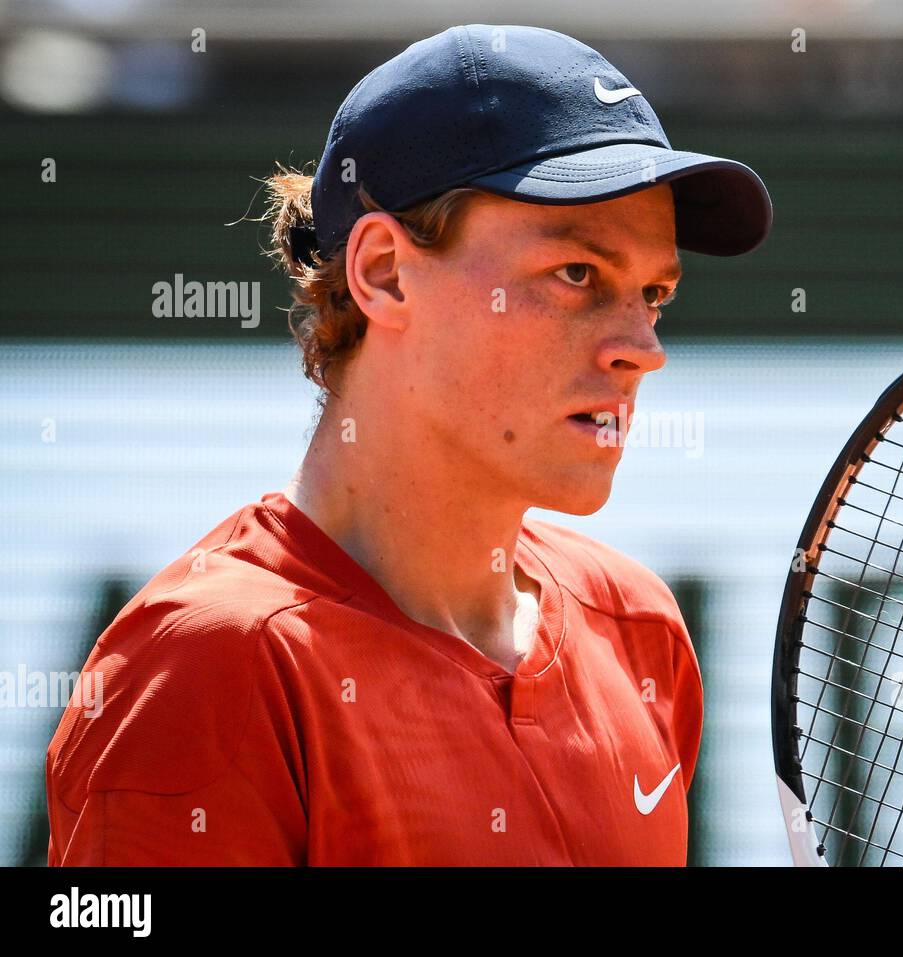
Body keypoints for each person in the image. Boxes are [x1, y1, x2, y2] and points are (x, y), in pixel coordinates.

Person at [46, 23, 771, 865]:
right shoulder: (208, 671)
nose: (643, 347)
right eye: (578, 275)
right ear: (385, 271)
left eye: (655, 293)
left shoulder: (640, 627)